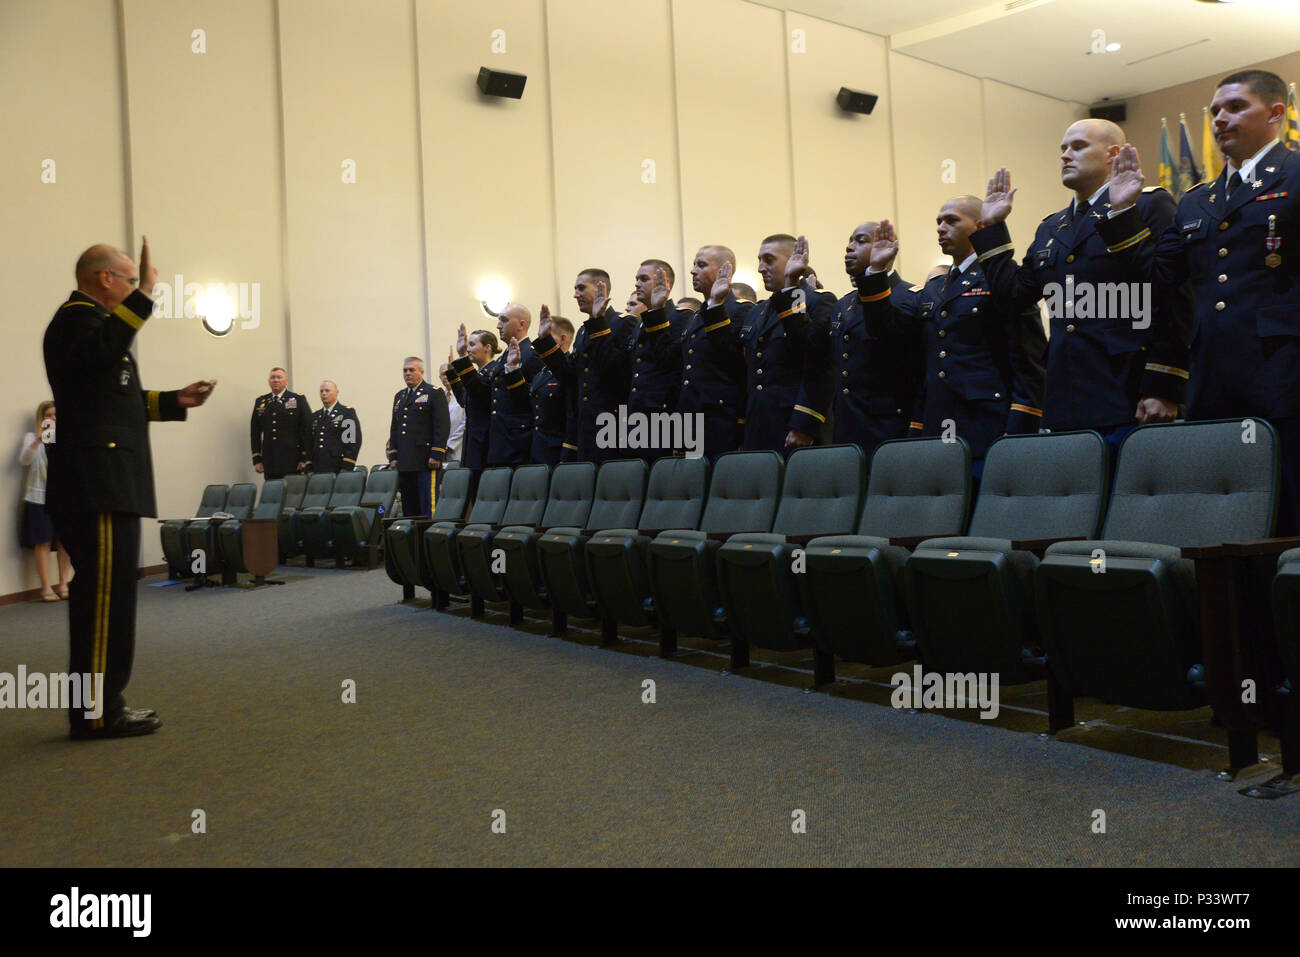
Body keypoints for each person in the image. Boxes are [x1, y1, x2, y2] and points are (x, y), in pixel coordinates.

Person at [1099, 69, 1300, 534]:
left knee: (1288, 512)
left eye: (1236, 107)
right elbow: (1159, 280)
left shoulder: (1295, 175)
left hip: (1284, 374)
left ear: (1275, 112)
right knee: (1222, 517)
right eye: (1215, 111)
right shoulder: (1196, 200)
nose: (1220, 119)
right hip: (1212, 381)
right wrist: (1124, 212)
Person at [44, 237, 215, 739]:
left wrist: (174, 400)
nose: (136, 287)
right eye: (130, 280)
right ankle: (96, 712)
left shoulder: (95, 327)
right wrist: (145, 297)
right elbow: (102, 358)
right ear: (105, 279)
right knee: (102, 599)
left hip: (108, 481)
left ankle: (105, 703)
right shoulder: (76, 321)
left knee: (114, 598)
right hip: (96, 482)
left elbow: (115, 398)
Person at [971, 118, 1190, 468]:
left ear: (1113, 154)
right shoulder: (1052, 227)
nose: (1065, 155)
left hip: (1130, 394)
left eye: (1078, 146)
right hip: (1065, 399)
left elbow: (1172, 296)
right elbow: (1013, 297)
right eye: (1062, 148)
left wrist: (1163, 385)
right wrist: (994, 228)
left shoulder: (1148, 205)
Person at [862, 201, 1047, 481]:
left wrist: (1020, 428)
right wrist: (877, 272)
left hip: (988, 426)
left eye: (951, 220)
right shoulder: (934, 288)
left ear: (980, 226)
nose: (941, 228)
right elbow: (888, 333)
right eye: (938, 221)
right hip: (939, 427)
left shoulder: (998, 279)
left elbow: (1028, 359)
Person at [813, 222, 923, 461]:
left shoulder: (910, 297)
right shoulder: (844, 304)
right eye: (850, 240)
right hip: (846, 430)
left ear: (887, 248)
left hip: (890, 429)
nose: (849, 247)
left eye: (861, 241)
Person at [738, 234, 837, 456]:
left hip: (795, 427)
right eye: (759, 260)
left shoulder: (818, 300)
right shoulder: (757, 311)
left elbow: (820, 365)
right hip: (759, 427)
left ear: (793, 260)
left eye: (769, 260)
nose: (760, 268)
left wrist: (804, 423)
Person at [532, 269, 632, 464]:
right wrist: (546, 341)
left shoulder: (624, 323)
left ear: (601, 289)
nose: (575, 295)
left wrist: (599, 323)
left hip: (613, 428)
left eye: (581, 288)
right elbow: (570, 377)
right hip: (587, 430)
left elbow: (617, 373)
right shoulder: (583, 331)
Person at [679, 245, 748, 462]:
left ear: (723, 270)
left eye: (701, 265)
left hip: (722, 422)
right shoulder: (696, 316)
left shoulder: (741, 310)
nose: (693, 271)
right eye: (694, 265)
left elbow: (737, 365)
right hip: (693, 425)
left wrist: (741, 425)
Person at [452, 305, 542, 468]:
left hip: (519, 445)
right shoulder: (503, 358)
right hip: (499, 445)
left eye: (504, 320)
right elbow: (481, 395)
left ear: (521, 325)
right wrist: (463, 358)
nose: (498, 326)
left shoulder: (531, 355)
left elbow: (534, 402)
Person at [623, 260, 690, 459]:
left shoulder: (682, 317)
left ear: (664, 283)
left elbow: (674, 365)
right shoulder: (640, 324)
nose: (637, 284)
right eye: (636, 279)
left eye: (644, 279)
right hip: (637, 422)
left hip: (666, 421)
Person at [18, 400, 71, 601]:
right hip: (39, 498)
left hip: (65, 498)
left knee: (65, 542)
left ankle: (63, 584)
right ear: (41, 418)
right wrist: (40, 439)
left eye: (55, 414)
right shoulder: (32, 438)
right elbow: (24, 460)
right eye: (48, 415)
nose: (52, 418)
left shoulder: (67, 438)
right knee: (43, 542)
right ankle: (46, 587)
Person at [387, 356, 449, 518]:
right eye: (405, 370)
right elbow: (395, 428)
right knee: (409, 509)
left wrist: (437, 453)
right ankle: (412, 534)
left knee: (428, 507)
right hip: (405, 462)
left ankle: (429, 534)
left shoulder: (433, 393)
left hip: (425, 460)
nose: (407, 373)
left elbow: (442, 425)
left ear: (421, 372)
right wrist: (393, 455)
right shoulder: (400, 396)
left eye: (411, 370)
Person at [508, 311, 573, 467]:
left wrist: (568, 452)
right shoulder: (542, 373)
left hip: (558, 450)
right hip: (538, 449)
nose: (540, 339)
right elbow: (526, 401)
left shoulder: (571, 368)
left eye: (547, 335)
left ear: (563, 339)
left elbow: (572, 415)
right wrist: (512, 368)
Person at [447, 328, 499, 496]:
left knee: (483, 495)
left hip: (486, 445)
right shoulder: (478, 374)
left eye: (472, 344)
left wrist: (462, 358)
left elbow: (479, 394)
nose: (468, 349)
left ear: (487, 348)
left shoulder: (494, 371)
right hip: (473, 446)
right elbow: (464, 400)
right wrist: (453, 374)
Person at [250, 367, 311, 479]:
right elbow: (255, 432)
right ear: (269, 381)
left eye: (279, 377)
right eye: (272, 377)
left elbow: (307, 430)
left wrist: (305, 458)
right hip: (270, 461)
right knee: (272, 490)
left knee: (292, 490)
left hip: (293, 460)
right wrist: (257, 459)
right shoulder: (261, 401)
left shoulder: (297, 399)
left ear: (286, 381)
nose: (275, 380)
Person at [309, 380, 362, 474]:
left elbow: (352, 442)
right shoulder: (315, 416)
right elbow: (310, 443)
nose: (324, 393)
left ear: (336, 392)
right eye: (321, 391)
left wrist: (347, 466)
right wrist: (309, 466)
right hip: (317, 468)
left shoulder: (346, 413)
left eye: (327, 390)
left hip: (337, 467)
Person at [436, 362, 467, 496]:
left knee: (458, 485)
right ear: (440, 377)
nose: (446, 376)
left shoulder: (462, 393)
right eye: (443, 374)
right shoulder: (439, 396)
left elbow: (465, 422)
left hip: (458, 446)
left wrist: (449, 443)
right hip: (440, 450)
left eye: (448, 373)